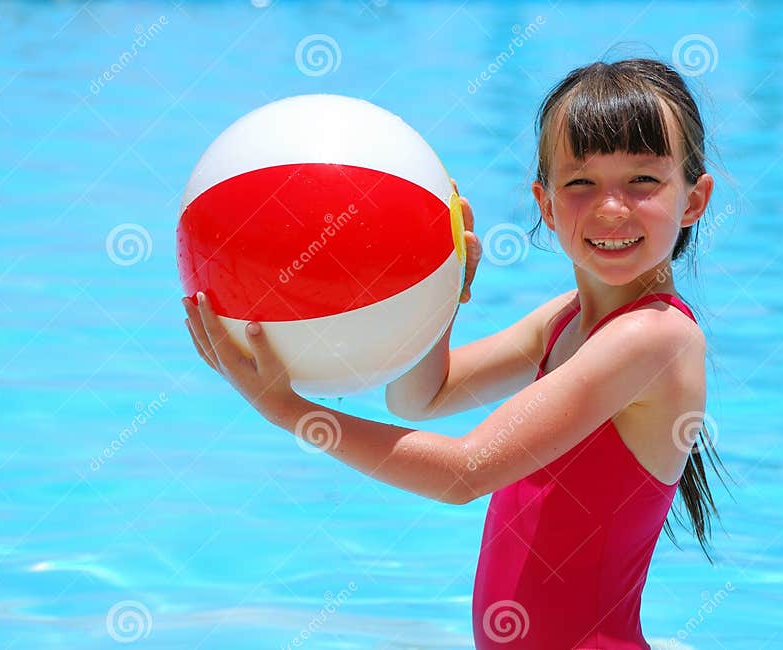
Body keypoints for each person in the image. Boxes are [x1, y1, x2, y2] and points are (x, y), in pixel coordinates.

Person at [182, 57, 728, 649]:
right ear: (544, 204)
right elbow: (419, 397)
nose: (611, 208)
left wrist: (288, 411)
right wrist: (442, 294)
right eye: (581, 183)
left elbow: (464, 474)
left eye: (643, 181)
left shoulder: (654, 337)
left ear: (694, 199)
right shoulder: (565, 320)